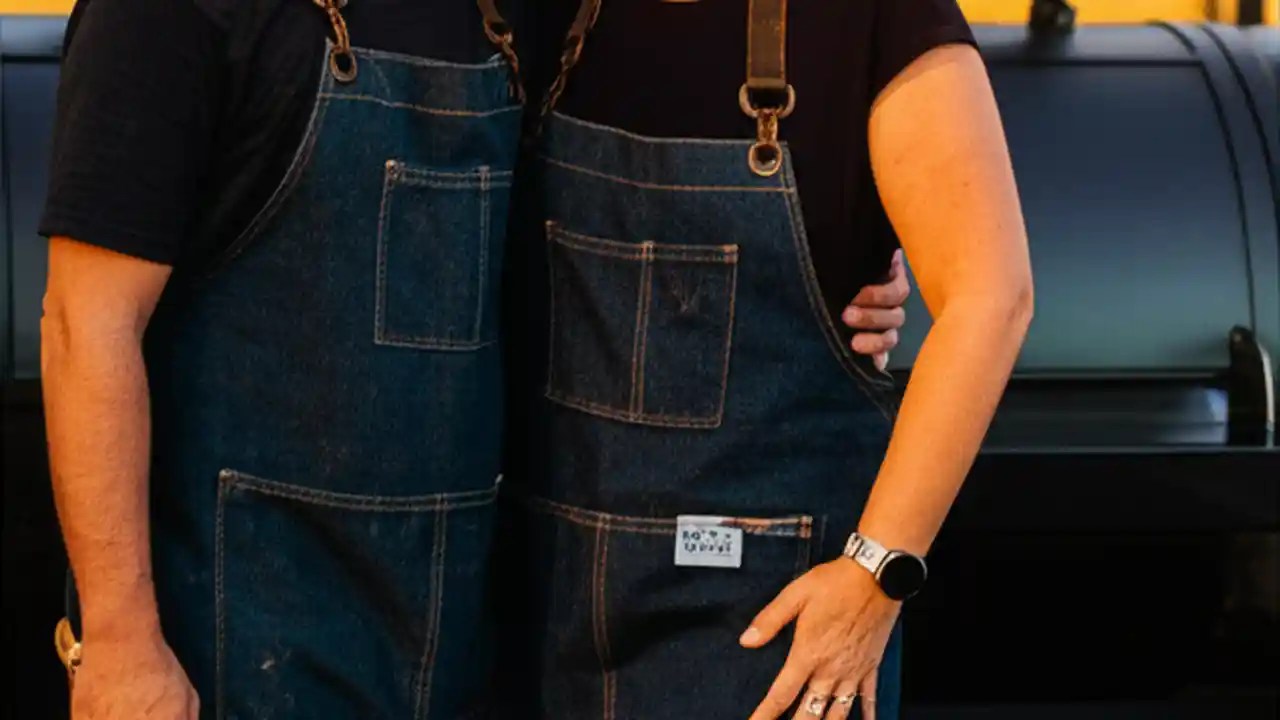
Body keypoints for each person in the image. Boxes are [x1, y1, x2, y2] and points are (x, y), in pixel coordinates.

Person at [37, 0, 907, 717]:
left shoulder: (511, 18)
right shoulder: (164, 14)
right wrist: (117, 641)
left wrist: (833, 265)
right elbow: (86, 325)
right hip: (235, 640)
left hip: (457, 653)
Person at [497, 1, 1033, 719]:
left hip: (763, 641)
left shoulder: (872, 18)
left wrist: (875, 576)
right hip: (543, 619)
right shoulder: (547, 20)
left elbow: (992, 295)